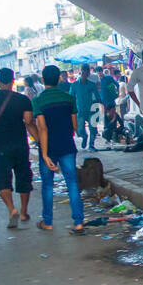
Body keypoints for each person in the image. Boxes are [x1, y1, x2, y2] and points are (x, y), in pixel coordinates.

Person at [0, 68, 37, 229]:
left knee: (1, 178)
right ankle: (24, 211)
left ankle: (12, 209)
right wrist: (40, 140)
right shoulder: (23, 100)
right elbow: (28, 122)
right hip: (20, 144)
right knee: (24, 178)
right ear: (13, 81)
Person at [32, 64, 86, 234]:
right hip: (67, 146)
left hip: (48, 148)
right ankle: (78, 223)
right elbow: (75, 126)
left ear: (43, 80)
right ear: (58, 79)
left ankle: (47, 222)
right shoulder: (68, 98)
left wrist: (45, 154)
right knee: (72, 183)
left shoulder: (38, 101)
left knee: (48, 185)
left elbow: (42, 129)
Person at [70, 64, 99, 151]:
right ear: (81, 71)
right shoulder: (74, 85)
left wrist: (101, 105)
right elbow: (71, 98)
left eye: (87, 71)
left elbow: (97, 96)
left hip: (91, 109)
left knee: (93, 128)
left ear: (89, 73)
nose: (85, 72)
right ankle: (84, 137)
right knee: (80, 129)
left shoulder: (92, 85)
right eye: (84, 70)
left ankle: (91, 145)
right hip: (79, 110)